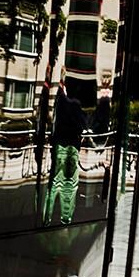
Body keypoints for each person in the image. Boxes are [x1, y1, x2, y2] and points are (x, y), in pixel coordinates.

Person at [44, 79, 86, 226]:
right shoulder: (76, 104)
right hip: (72, 147)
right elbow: (83, 124)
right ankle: (66, 218)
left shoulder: (60, 100)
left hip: (60, 145)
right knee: (70, 185)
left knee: (55, 182)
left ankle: (46, 218)